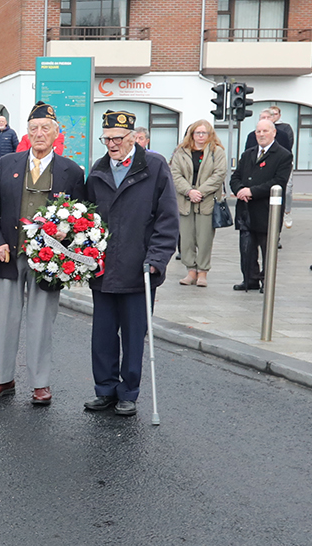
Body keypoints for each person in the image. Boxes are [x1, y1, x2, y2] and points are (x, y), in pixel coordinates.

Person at [0, 102, 85, 406]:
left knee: (41, 322)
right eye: (34, 129)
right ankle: (2, 378)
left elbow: (81, 219)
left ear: (56, 133)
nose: (39, 134)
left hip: (49, 262)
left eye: (45, 129)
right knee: (5, 319)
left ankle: (40, 383)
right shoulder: (7, 164)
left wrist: (69, 248)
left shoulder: (72, 171)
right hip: (9, 256)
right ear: (26, 134)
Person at [82, 110, 179, 415]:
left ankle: (129, 391)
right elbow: (87, 219)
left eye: (118, 139)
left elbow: (167, 219)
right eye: (106, 138)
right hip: (104, 268)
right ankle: (105, 389)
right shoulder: (98, 171)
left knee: (134, 335)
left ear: (134, 137)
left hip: (140, 269)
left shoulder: (154, 166)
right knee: (103, 335)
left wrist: (157, 259)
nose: (112, 144)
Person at [229, 117, 292, 292]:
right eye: (258, 131)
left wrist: (252, 191)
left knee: (267, 249)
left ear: (274, 133)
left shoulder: (283, 155)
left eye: (265, 131)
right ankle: (249, 279)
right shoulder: (248, 153)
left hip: (267, 211)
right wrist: (240, 189)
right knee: (247, 249)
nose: (261, 134)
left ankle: (267, 281)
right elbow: (235, 177)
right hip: (246, 210)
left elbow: (279, 181)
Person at [168, 119, 227, 288]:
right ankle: (190, 271)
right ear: (191, 134)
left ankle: (202, 272)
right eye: (197, 133)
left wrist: (200, 191)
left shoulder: (217, 152)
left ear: (210, 135)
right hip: (185, 200)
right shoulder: (181, 152)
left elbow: (219, 174)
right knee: (186, 238)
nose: (201, 136)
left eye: (204, 133)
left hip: (207, 201)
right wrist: (189, 191)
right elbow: (175, 174)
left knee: (204, 238)